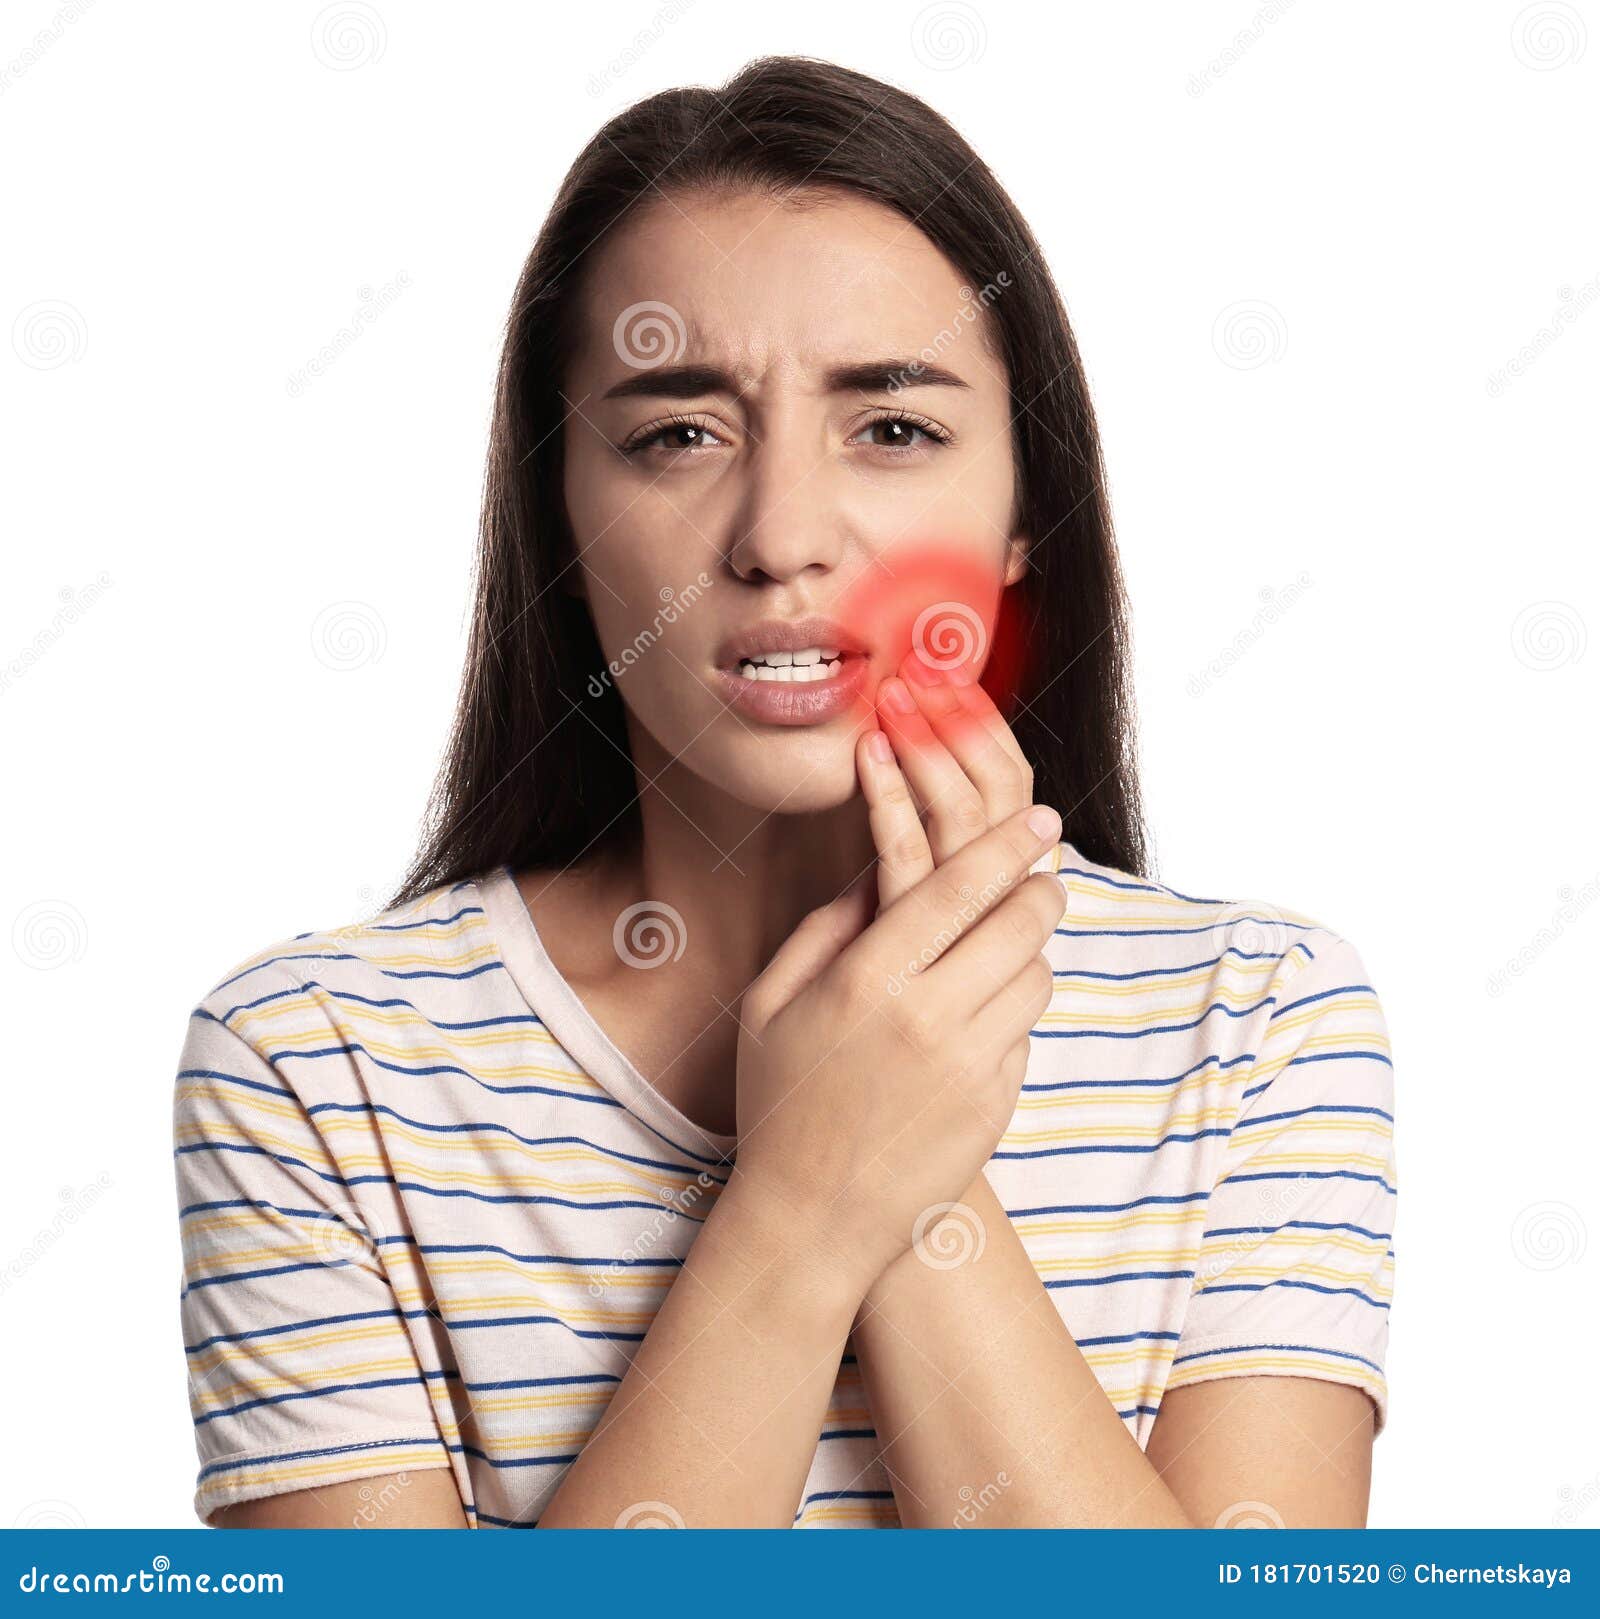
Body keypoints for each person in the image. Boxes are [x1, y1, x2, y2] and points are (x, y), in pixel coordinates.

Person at [172, 56, 1395, 1529]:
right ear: (561, 519)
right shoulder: (315, 1064)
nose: (782, 536)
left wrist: (904, 1138)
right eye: (677, 434)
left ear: (1024, 513)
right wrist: (808, 1200)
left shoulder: (1258, 1020)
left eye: (893, 428)